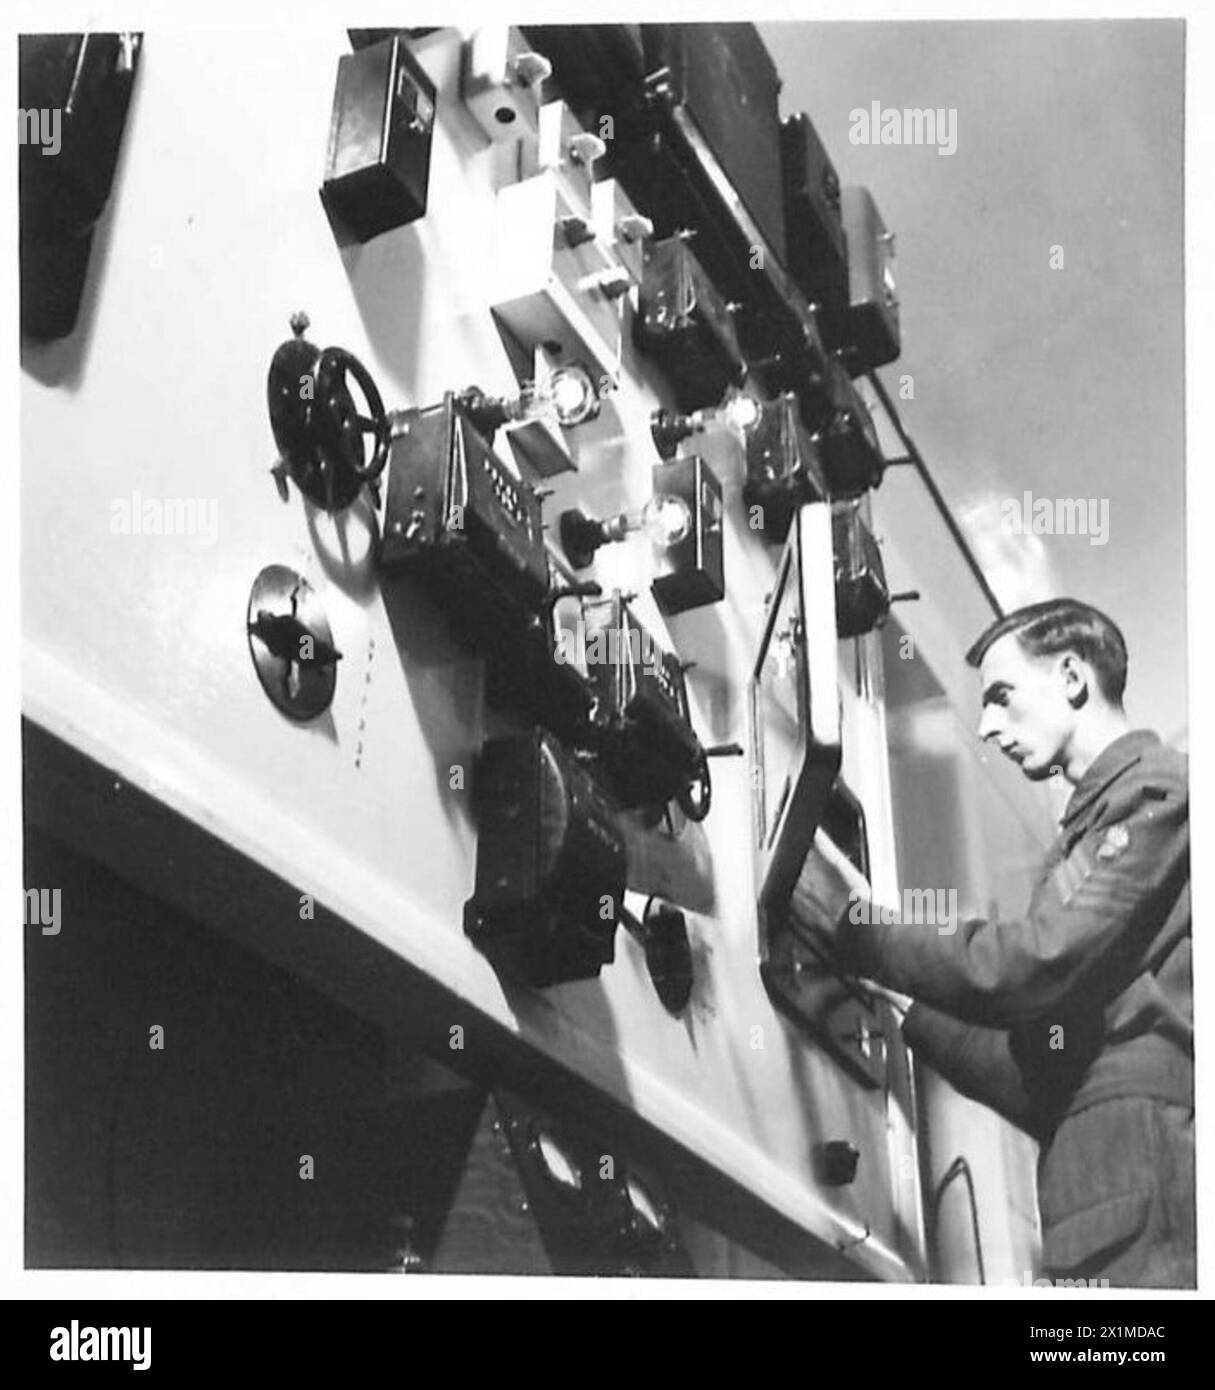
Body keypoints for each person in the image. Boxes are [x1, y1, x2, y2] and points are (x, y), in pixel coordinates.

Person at [797, 598, 1193, 1287]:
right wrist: (896, 994)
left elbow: (1027, 968)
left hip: (1135, 1169)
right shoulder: (1098, 825)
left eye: (1002, 698)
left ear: (1071, 676)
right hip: (1096, 1173)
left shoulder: (1155, 791)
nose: (985, 727)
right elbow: (1033, 1077)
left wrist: (852, 924)